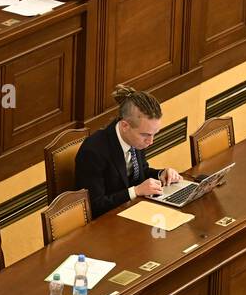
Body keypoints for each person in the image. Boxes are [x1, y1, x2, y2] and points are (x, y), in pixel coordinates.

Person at [74, 85, 182, 219]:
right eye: (146, 135)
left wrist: (161, 174)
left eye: (154, 134)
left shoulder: (135, 138)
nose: (151, 141)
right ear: (125, 126)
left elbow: (139, 173)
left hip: (132, 212)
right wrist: (135, 191)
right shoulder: (93, 151)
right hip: (107, 224)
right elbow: (95, 205)